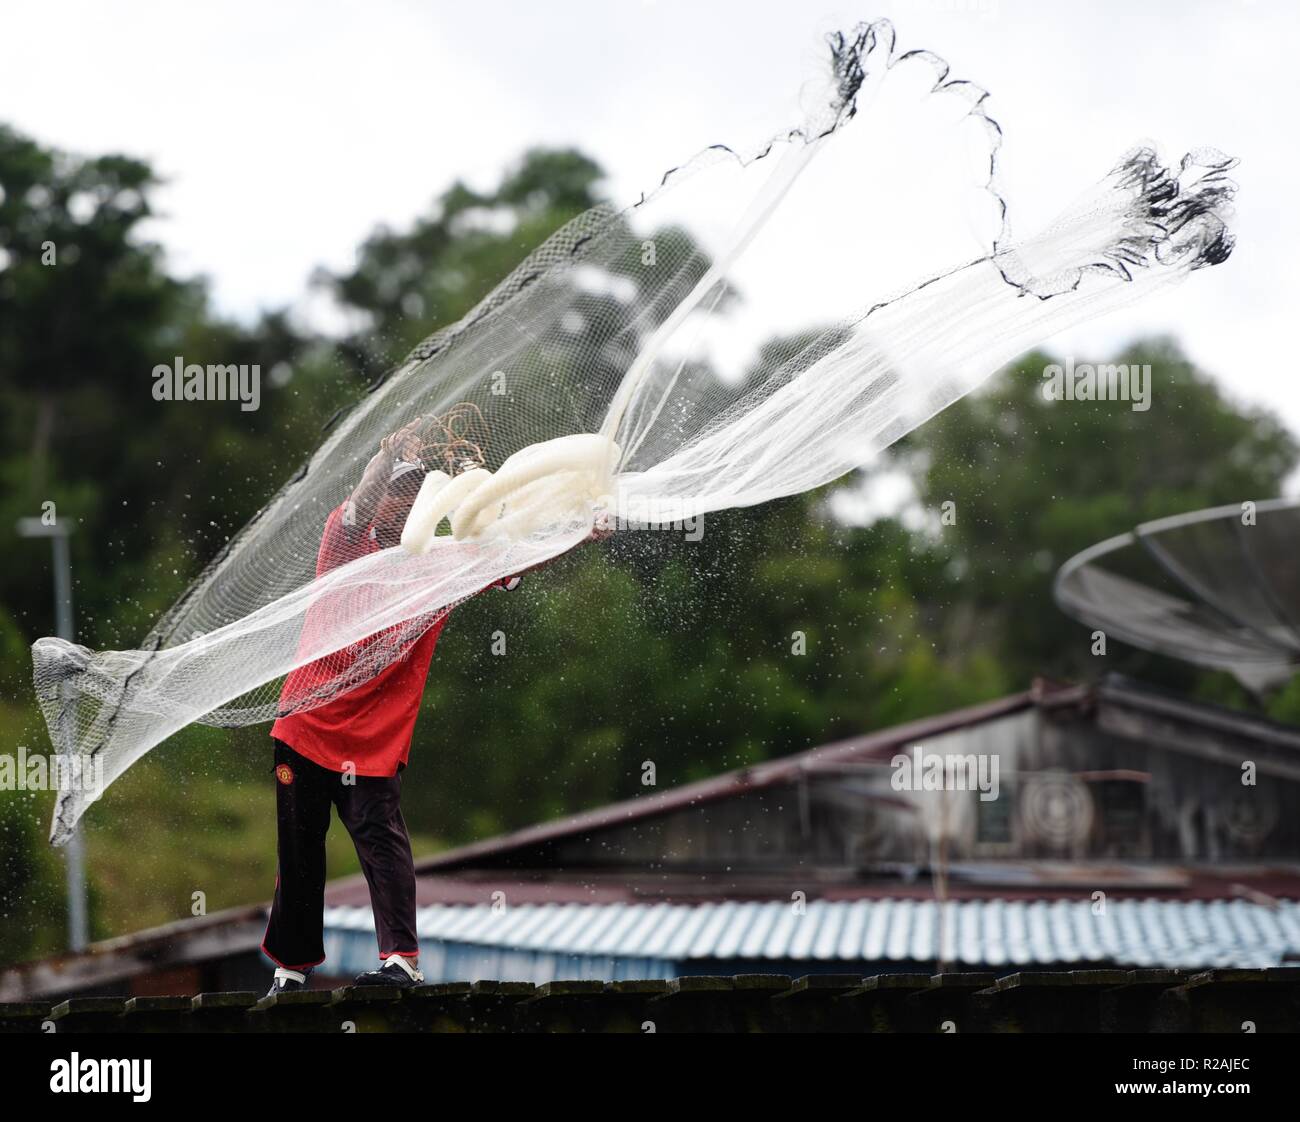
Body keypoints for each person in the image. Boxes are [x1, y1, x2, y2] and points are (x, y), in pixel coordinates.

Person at [260, 415, 599, 995]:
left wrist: (580, 530)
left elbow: (510, 556)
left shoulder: (438, 567)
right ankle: (291, 972)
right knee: (299, 851)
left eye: (410, 499)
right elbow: (361, 502)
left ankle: (401, 962)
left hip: (374, 741)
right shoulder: (346, 542)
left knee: (382, 842)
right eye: (396, 496)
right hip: (307, 726)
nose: (397, 509)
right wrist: (388, 457)